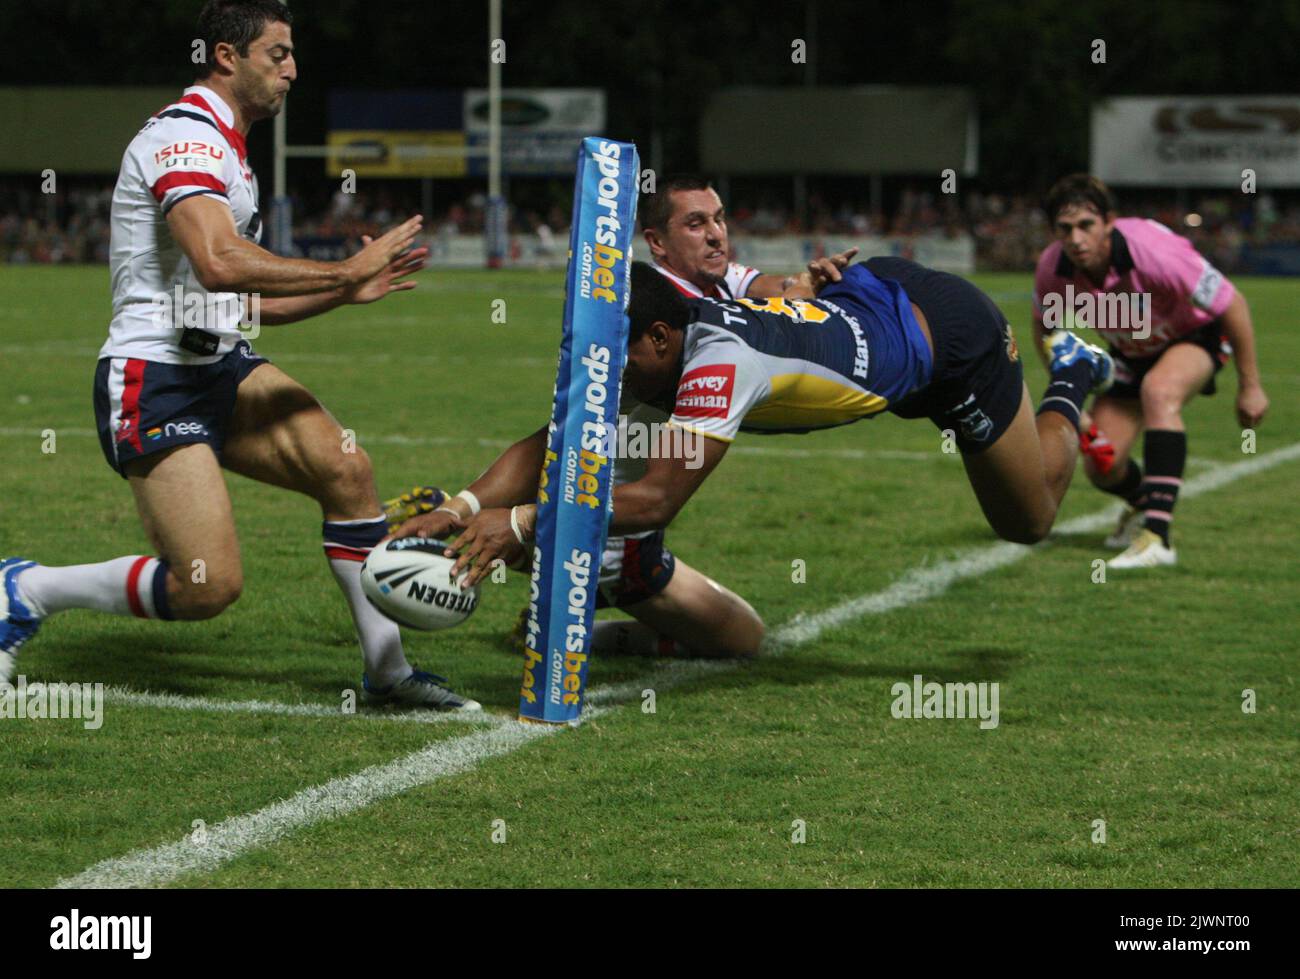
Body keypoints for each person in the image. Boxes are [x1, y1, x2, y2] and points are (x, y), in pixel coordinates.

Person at [1, 0, 477, 710]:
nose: (293, 69)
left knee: (346, 469)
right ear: (226, 57)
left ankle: (387, 672)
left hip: (220, 363)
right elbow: (221, 262)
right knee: (206, 585)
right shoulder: (185, 139)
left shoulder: (230, 151)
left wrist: (342, 294)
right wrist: (341, 272)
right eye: (277, 54)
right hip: (153, 377)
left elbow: (235, 303)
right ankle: (26, 588)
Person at [406, 257, 1117, 644]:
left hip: (952, 340)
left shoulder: (718, 364)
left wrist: (523, 522)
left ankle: (1076, 371)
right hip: (881, 303)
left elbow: (655, 497)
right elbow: (554, 439)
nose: (610, 380)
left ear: (658, 339)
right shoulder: (662, 342)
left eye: (617, 361)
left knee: (1028, 518)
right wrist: (466, 503)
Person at [1032, 175, 1268, 569]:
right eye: (1065, 228)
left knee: (1159, 392)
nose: (1075, 238)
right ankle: (1143, 506)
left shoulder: (1153, 251)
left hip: (1194, 335)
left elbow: (1233, 303)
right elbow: (1047, 330)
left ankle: (1157, 538)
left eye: (1086, 225)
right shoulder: (1053, 268)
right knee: (1101, 465)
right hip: (1129, 351)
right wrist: (1075, 401)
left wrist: (1251, 386)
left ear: (1109, 221)